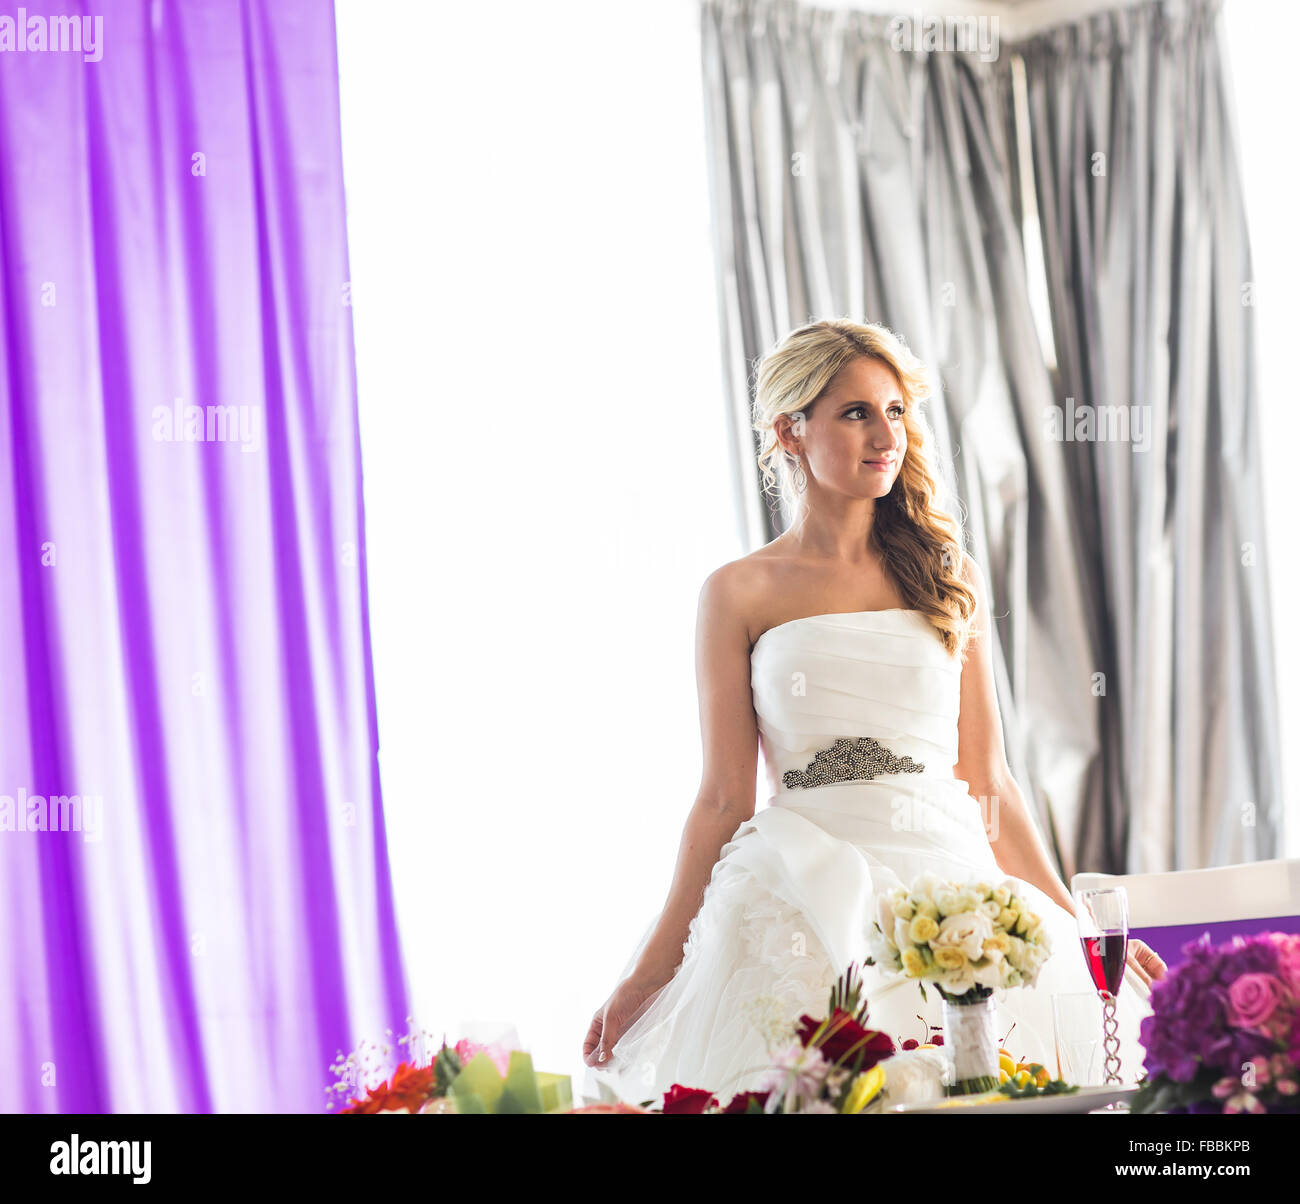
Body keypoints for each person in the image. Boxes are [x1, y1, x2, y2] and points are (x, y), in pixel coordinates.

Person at [582, 318, 1166, 1107]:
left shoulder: (945, 573)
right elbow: (724, 797)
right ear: (790, 430)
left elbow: (988, 778)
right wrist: (651, 970)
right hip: (796, 881)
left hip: (953, 881)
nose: (885, 433)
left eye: (895, 411)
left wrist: (1074, 924)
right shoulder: (739, 591)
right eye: (856, 412)